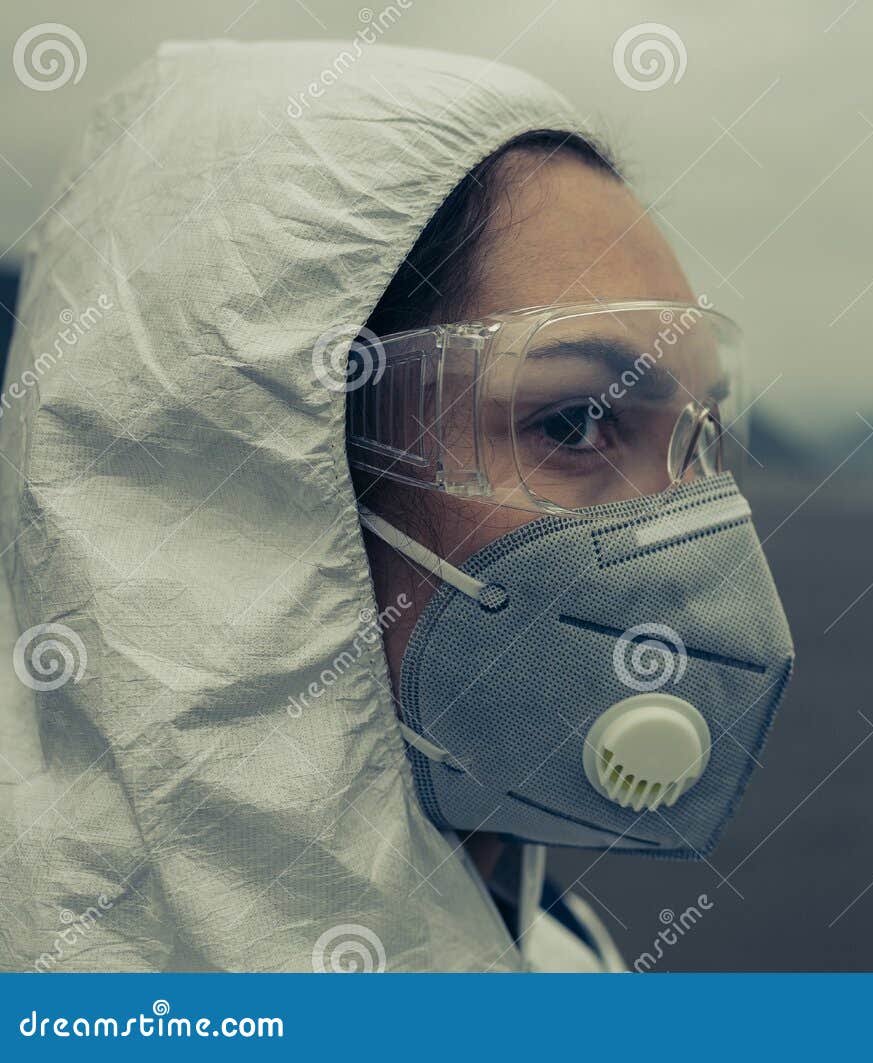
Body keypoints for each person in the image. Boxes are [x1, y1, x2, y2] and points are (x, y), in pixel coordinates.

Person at [0, 40, 793, 973]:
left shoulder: (560, 957)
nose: (686, 529)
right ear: (264, 482)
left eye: (699, 440)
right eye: (577, 420)